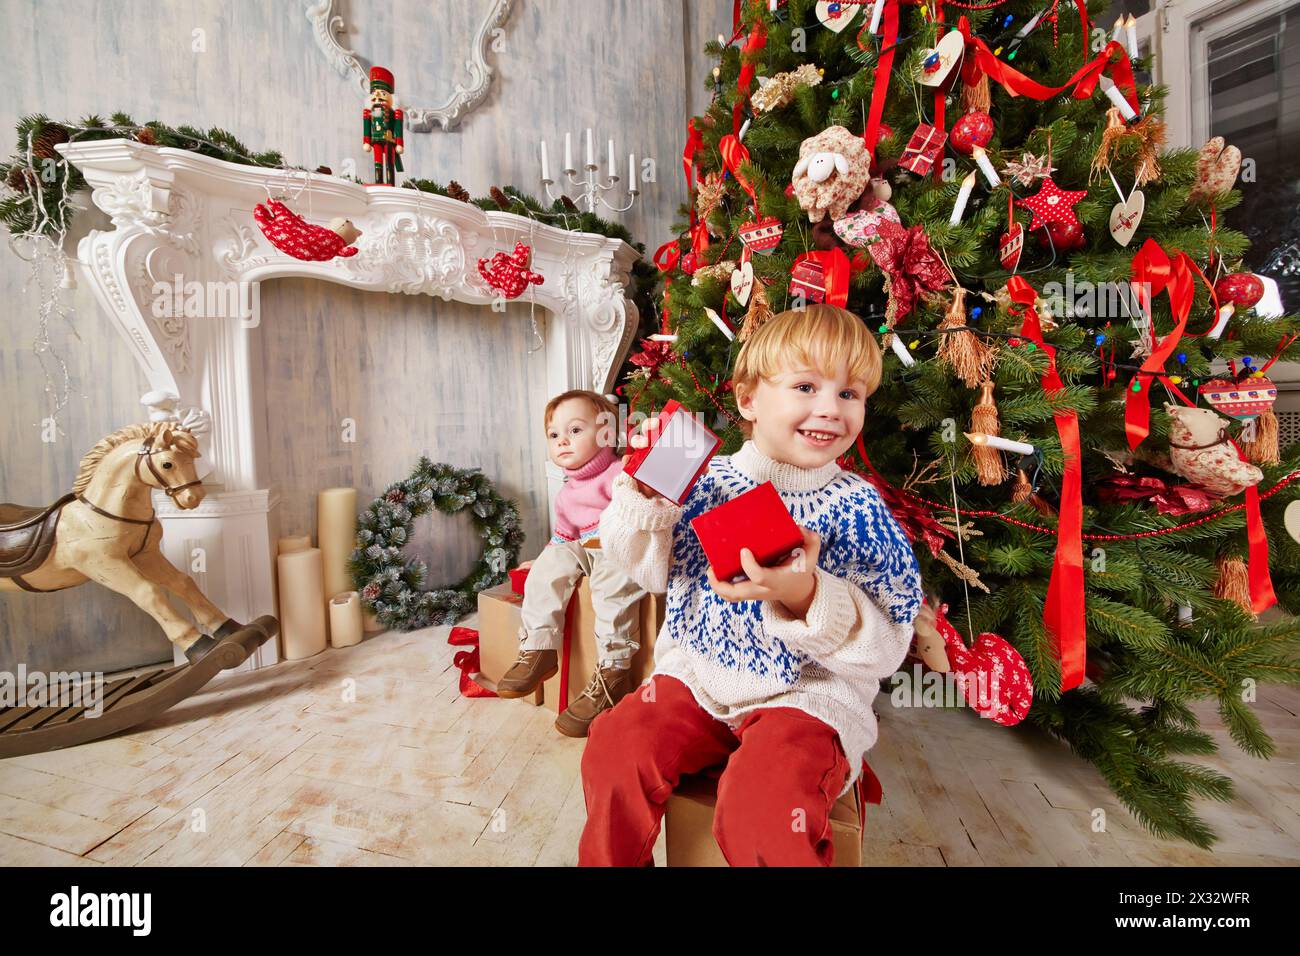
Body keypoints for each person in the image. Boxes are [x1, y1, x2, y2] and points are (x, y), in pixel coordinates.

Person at [579, 304, 923, 866]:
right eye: (806, 385)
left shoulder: (859, 508)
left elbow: (887, 647)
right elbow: (639, 565)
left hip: (811, 696)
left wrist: (806, 596)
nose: (830, 409)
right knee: (615, 749)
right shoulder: (699, 474)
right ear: (747, 400)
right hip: (696, 674)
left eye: (850, 394)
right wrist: (645, 501)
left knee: (764, 811)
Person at [497, 390, 647, 737]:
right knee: (547, 565)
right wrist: (546, 560)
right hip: (584, 545)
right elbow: (565, 536)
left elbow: (640, 510)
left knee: (612, 583)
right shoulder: (566, 494)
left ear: (607, 433)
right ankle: (538, 647)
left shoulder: (618, 473)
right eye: (554, 435)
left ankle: (614, 669)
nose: (562, 440)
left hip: (616, 544)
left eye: (575, 430)